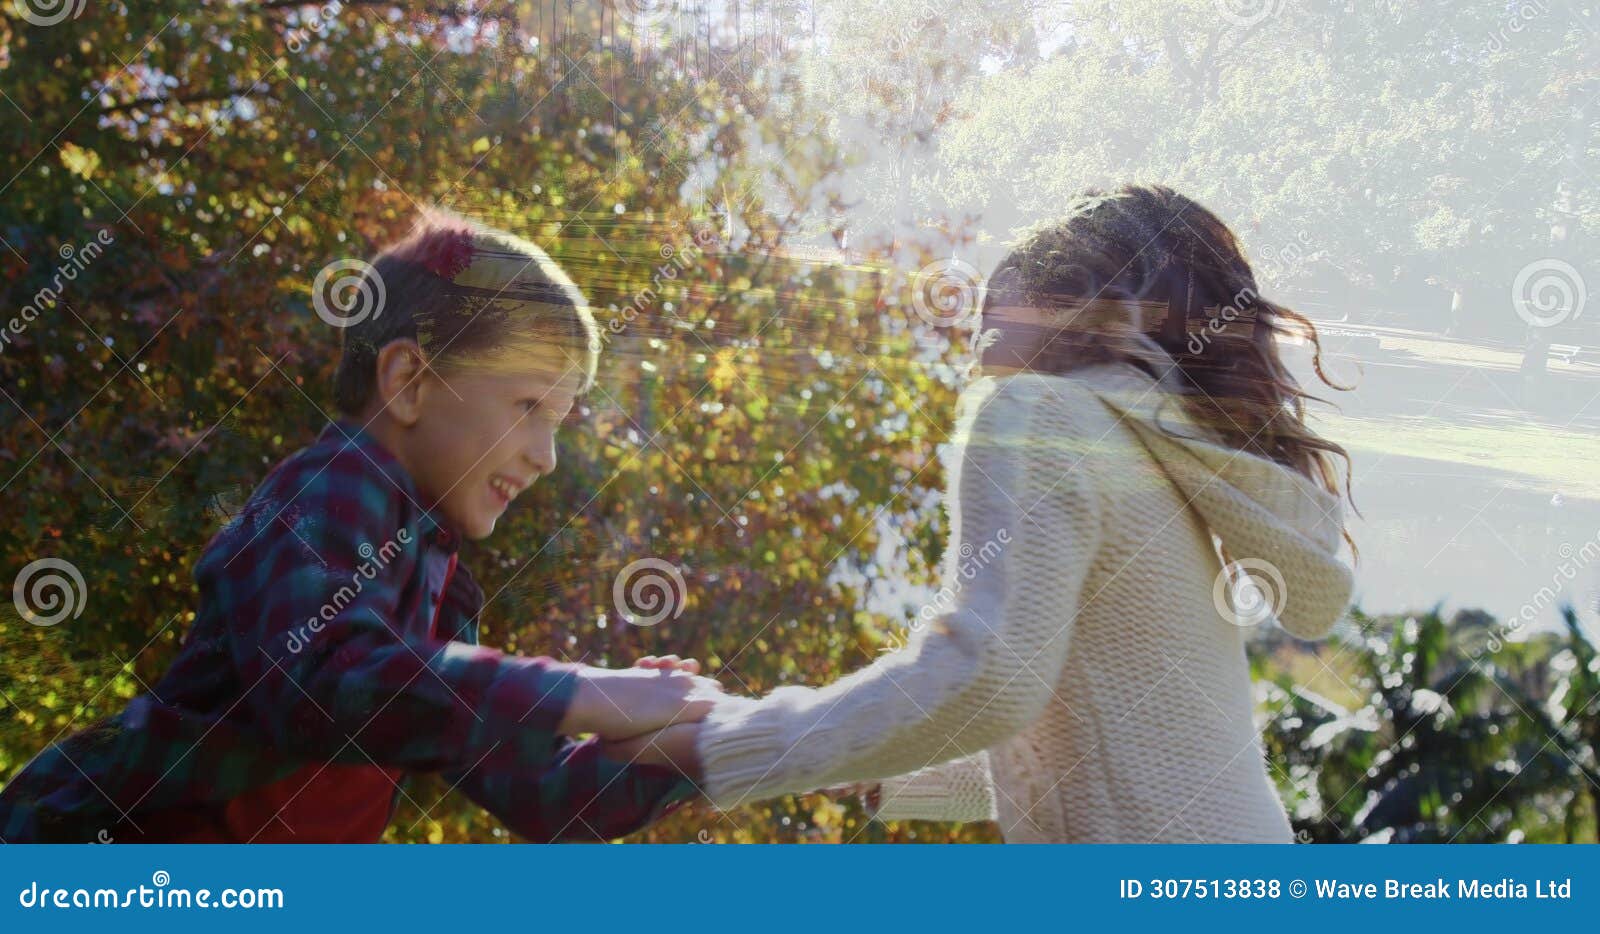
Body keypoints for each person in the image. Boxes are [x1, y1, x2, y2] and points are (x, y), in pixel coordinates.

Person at [613, 184, 1357, 843]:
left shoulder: (1040, 411)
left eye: (990, 317)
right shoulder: (1166, 461)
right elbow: (1098, 744)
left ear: (1076, 309)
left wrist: (717, 749)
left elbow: (991, 678)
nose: (971, 347)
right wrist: (860, 764)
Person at [0, 215, 721, 843]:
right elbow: (324, 680)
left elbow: (543, 795)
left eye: (558, 423)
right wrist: (583, 691)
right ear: (408, 381)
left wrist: (703, 750)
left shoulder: (442, 592)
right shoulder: (331, 488)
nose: (546, 455)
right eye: (529, 405)